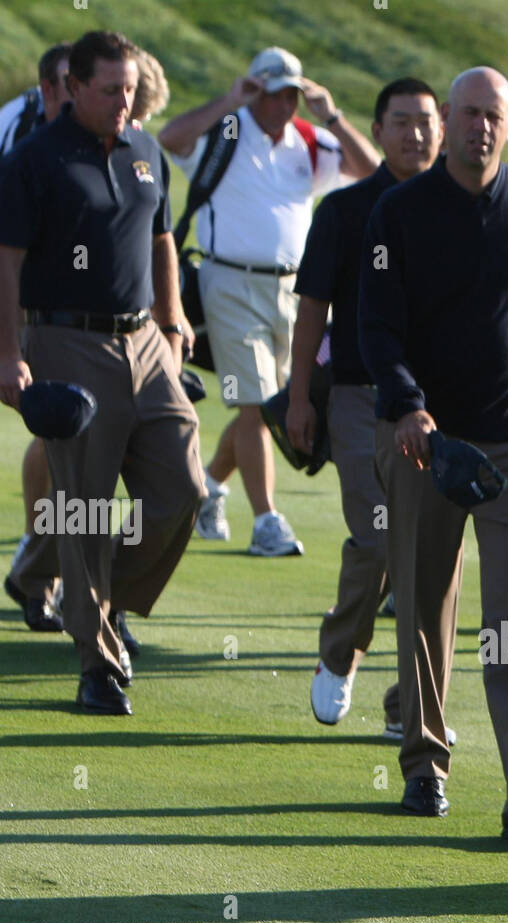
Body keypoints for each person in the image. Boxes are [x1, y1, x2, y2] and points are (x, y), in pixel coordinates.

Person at [360, 66, 508, 841]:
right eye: (469, 114)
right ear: (446, 122)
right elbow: (377, 328)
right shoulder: (399, 212)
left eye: (495, 115)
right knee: (424, 607)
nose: (480, 127)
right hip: (427, 443)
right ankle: (425, 764)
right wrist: (409, 408)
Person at [0, 29, 205, 715]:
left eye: (130, 89)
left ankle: (71, 584)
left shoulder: (147, 150)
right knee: (83, 509)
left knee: (184, 488)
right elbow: (7, 263)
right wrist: (9, 354)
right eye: (110, 90)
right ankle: (98, 664)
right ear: (73, 86)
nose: (124, 101)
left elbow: (162, 240)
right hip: (64, 338)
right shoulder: (35, 160)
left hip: (146, 340)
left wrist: (174, 322)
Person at [158, 47, 379, 556]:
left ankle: (207, 485)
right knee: (257, 404)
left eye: (291, 95)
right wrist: (231, 100)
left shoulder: (309, 140)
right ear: (254, 89)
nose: (284, 104)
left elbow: (372, 174)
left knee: (271, 406)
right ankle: (267, 522)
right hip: (229, 282)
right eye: (273, 93)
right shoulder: (229, 130)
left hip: (295, 290)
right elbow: (171, 138)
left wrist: (333, 116)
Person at [287, 78, 442, 729]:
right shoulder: (345, 210)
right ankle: (339, 652)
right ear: (376, 132)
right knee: (380, 539)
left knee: (428, 556)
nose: (415, 133)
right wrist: (300, 397)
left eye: (425, 122)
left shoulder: (465, 211)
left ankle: (408, 708)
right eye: (400, 122)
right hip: (356, 398)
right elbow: (312, 310)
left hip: (439, 407)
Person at [2, 42, 72, 632]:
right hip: (24, 305)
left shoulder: (110, 135)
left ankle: (46, 566)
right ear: (49, 90)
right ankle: (43, 565)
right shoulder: (17, 134)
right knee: (57, 433)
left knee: (65, 434)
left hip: (81, 319)